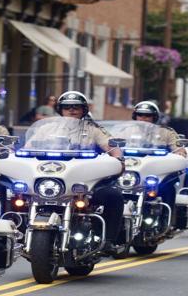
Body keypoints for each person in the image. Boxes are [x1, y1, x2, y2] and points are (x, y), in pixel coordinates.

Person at [51, 91, 130, 253]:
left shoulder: (93, 129)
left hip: (86, 184)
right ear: (60, 110)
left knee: (113, 196)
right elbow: (26, 148)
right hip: (53, 181)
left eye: (76, 107)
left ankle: (107, 240)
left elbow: (111, 146)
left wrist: (118, 159)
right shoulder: (47, 128)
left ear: (83, 110)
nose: (71, 110)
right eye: (67, 107)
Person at [131, 100, 188, 230]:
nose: (143, 118)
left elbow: (178, 148)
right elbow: (113, 147)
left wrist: (179, 153)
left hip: (158, 172)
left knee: (167, 187)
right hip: (133, 171)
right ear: (135, 116)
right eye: (140, 115)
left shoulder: (166, 132)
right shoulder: (125, 131)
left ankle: (166, 220)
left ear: (154, 118)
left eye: (147, 115)